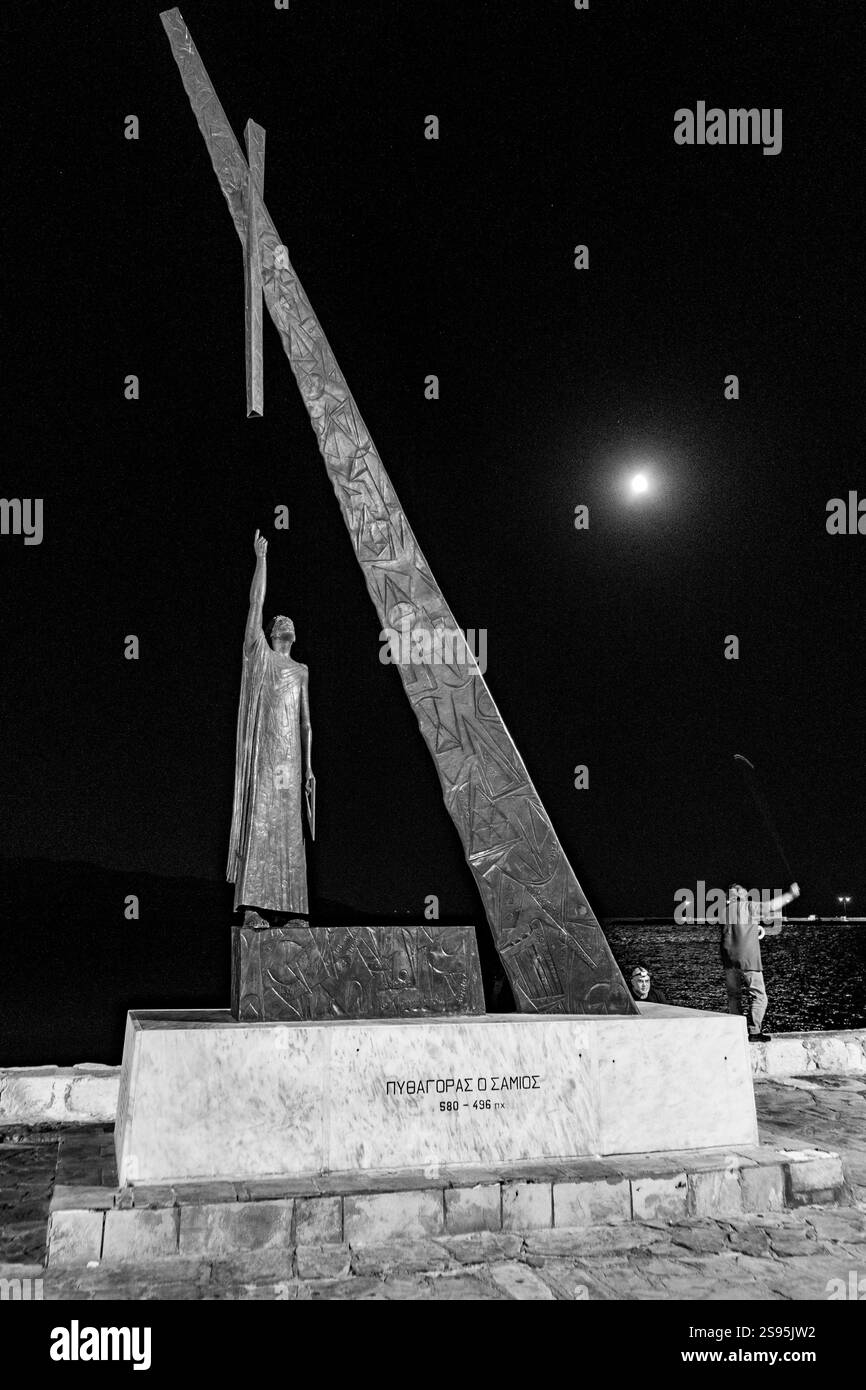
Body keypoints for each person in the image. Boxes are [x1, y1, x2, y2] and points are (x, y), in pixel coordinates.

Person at [227, 530, 314, 924]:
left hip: (291, 761)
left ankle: (293, 908)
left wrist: (309, 768)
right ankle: (253, 909)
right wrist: (261, 560)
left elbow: (307, 723)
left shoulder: (301, 670)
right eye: (284, 621)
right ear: (275, 632)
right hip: (266, 756)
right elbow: (255, 604)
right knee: (262, 820)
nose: (289, 623)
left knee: (289, 828)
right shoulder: (260, 656)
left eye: (291, 622)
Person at [721, 882, 799, 1040]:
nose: (747, 892)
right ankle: (755, 1031)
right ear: (739, 893)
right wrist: (790, 895)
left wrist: (755, 929)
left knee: (734, 996)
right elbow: (770, 906)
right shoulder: (748, 906)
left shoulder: (725, 911)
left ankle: (737, 1031)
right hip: (748, 959)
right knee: (759, 996)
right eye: (744, 891)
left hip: (729, 960)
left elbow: (735, 931)